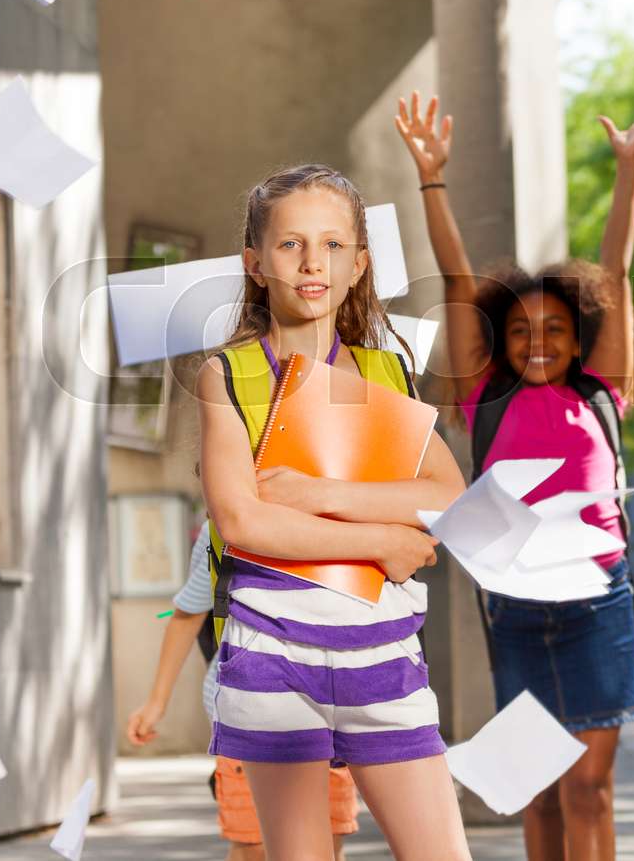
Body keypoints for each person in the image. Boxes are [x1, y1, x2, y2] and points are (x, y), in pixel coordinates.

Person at [395, 91, 634, 861]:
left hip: (598, 603)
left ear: (580, 337)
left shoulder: (600, 391)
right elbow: (456, 278)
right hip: (515, 608)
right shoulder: (484, 397)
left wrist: (628, 168)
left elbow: (615, 270)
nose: (538, 340)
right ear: (500, 340)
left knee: (590, 787)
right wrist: (431, 178)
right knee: (540, 788)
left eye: (554, 328)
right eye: (520, 329)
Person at [194, 163, 473, 861]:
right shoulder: (227, 374)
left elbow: (448, 496)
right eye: (290, 244)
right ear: (254, 263)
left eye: (332, 244)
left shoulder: (386, 372)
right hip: (272, 656)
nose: (312, 261)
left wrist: (321, 495)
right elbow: (244, 523)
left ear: (359, 264)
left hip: (384, 655)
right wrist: (383, 538)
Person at [124, 520, 358, 861]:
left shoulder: (340, 519)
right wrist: (156, 703)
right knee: (254, 844)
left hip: (330, 711)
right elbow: (188, 614)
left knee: (329, 841)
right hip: (245, 712)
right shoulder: (224, 526)